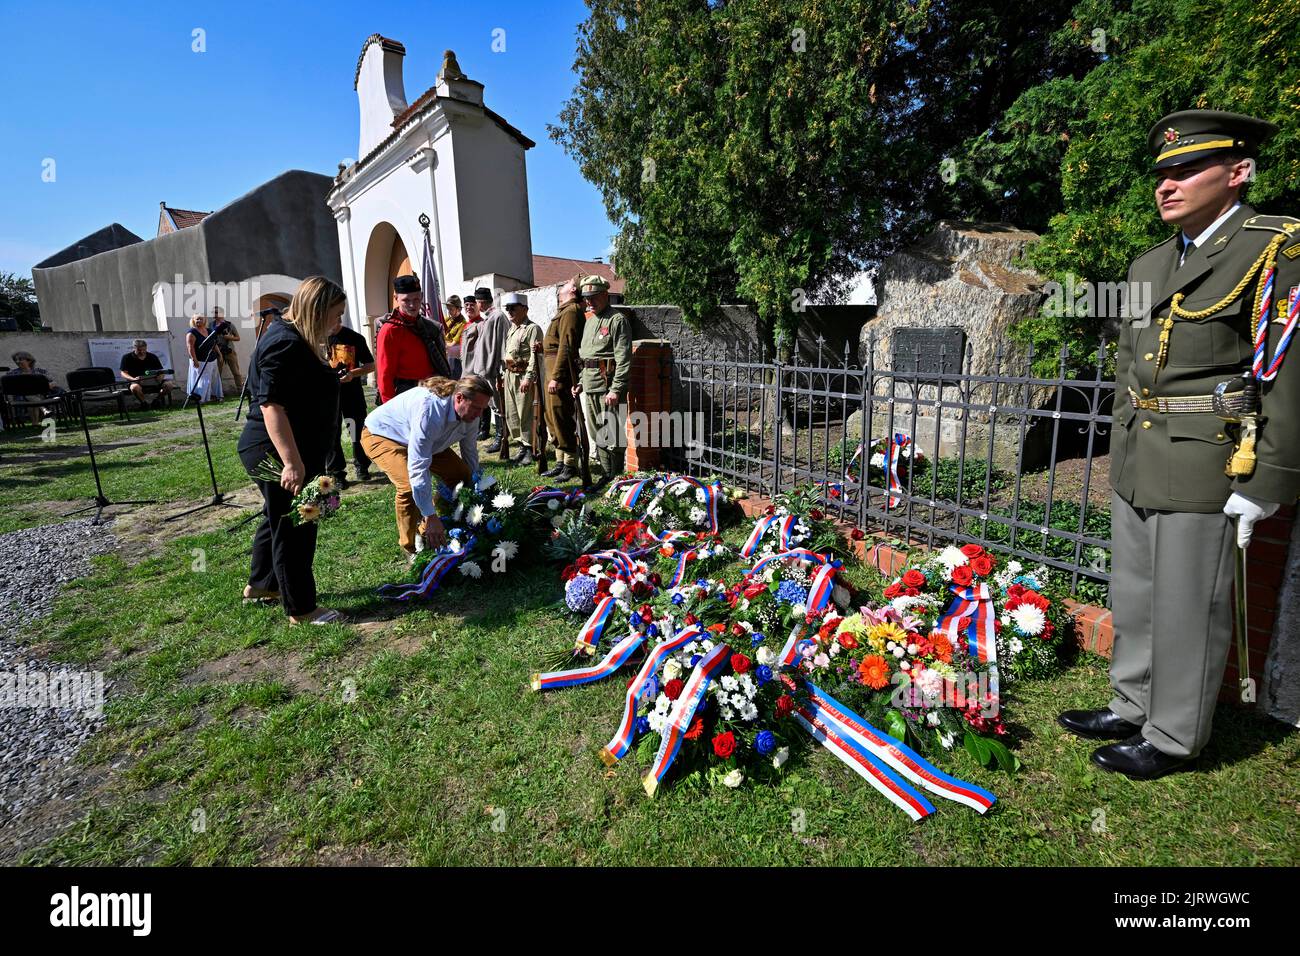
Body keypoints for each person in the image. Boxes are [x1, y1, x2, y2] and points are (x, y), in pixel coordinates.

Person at [1058, 110, 1300, 780]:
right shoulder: (1153, 261)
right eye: (1163, 172)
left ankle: (1173, 735)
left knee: (1189, 601)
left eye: (1187, 169)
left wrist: (1268, 477)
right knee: (1135, 591)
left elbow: (1288, 371)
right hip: (1141, 454)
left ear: (1238, 171)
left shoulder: (1275, 250)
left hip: (1209, 455)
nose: (1168, 184)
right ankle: (1132, 703)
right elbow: (1131, 366)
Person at [236, 276, 347, 624]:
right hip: (277, 450)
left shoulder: (295, 337)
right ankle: (302, 608)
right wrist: (292, 462)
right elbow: (272, 406)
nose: (338, 322)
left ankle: (262, 585)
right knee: (297, 524)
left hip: (292, 449)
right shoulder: (284, 342)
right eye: (336, 314)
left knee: (277, 518)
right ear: (317, 310)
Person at [359, 374, 493, 563]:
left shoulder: (471, 414)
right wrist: (430, 515)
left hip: (428, 440)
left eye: (483, 409)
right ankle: (411, 546)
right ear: (459, 398)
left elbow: (470, 452)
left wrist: (475, 487)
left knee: (462, 476)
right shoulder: (430, 411)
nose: (479, 414)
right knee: (407, 486)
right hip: (382, 435)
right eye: (476, 408)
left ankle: (439, 522)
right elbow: (418, 468)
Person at [576, 274, 632, 488]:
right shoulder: (590, 322)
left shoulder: (617, 320)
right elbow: (587, 357)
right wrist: (580, 381)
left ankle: (615, 475)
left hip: (607, 386)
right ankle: (606, 473)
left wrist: (616, 389)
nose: (589, 302)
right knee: (596, 430)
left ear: (605, 295)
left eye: (593, 297)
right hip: (590, 384)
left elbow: (623, 358)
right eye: (586, 297)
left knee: (612, 431)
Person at [375, 274, 451, 404]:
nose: (412, 305)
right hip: (407, 395)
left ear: (421, 296)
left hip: (432, 390)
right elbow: (384, 376)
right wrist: (390, 408)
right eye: (406, 300)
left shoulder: (430, 327)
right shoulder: (390, 330)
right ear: (396, 298)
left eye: (416, 299)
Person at [542, 275, 585, 482]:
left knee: (561, 415)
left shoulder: (571, 311)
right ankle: (560, 462)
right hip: (550, 369)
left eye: (566, 284)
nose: (561, 288)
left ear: (573, 291)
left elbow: (566, 346)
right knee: (551, 416)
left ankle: (570, 464)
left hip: (558, 373)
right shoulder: (564, 311)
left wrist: (558, 377)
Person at [325, 317, 376, 486]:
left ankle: (362, 466)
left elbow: (370, 365)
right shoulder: (319, 338)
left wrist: (353, 374)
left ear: (338, 317)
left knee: (356, 430)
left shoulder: (354, 338)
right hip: (330, 394)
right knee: (332, 433)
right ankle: (337, 473)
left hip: (352, 393)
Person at [463, 287, 509, 450]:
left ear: (481, 302)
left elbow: (503, 345)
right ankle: (499, 436)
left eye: (476, 301)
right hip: (484, 371)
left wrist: (501, 370)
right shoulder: (487, 318)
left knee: (499, 404)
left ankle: (502, 437)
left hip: (493, 370)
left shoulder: (498, 316)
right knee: (493, 404)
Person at [500, 292, 542, 466]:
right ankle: (521, 446)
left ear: (525, 309)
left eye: (513, 308)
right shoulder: (512, 329)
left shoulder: (533, 328)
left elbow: (535, 356)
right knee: (512, 413)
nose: (509, 312)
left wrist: (529, 378)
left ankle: (530, 447)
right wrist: (503, 375)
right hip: (510, 375)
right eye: (507, 308)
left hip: (523, 376)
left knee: (525, 413)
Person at [5, 351, 65, 424]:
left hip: (40, 395)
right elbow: (8, 386)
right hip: (21, 396)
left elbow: (53, 382)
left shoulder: (40, 371)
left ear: (29, 360)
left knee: (32, 400)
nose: (17, 362)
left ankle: (35, 423)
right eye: (15, 360)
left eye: (20, 359)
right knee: (29, 395)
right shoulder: (12, 373)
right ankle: (44, 410)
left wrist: (47, 386)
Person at [118, 339, 171, 408]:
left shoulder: (152, 356)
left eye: (144, 350)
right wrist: (133, 379)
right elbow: (123, 373)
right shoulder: (127, 357)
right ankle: (144, 403)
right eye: (139, 350)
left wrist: (161, 377)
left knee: (169, 385)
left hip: (154, 380)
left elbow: (160, 371)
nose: (142, 352)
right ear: (134, 348)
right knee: (135, 387)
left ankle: (156, 401)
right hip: (136, 381)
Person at [185, 314, 224, 403]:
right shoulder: (191, 333)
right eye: (197, 319)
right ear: (193, 321)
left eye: (200, 319)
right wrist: (194, 360)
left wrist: (219, 354)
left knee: (215, 377)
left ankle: (217, 396)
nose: (199, 321)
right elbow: (190, 347)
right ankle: (201, 399)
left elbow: (214, 344)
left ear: (204, 320)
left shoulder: (209, 331)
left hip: (212, 359)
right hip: (200, 360)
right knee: (203, 379)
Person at [210, 307, 243, 394]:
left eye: (216, 312)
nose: (214, 314)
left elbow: (238, 338)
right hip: (217, 352)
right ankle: (218, 393)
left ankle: (241, 391)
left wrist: (229, 337)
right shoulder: (211, 325)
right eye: (213, 312)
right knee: (217, 374)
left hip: (229, 351)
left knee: (236, 372)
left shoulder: (229, 325)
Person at [444, 295, 467, 378]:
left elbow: (453, 344)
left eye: (451, 309)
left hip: (454, 359)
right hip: (445, 356)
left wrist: (442, 343)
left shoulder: (463, 323)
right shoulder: (447, 319)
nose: (449, 311)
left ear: (459, 309)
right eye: (448, 309)